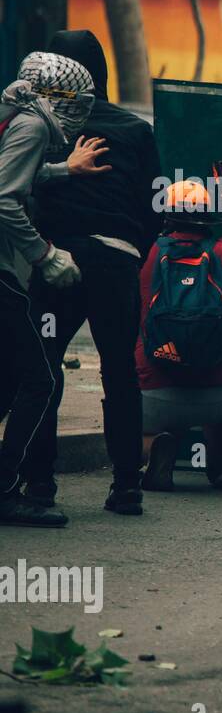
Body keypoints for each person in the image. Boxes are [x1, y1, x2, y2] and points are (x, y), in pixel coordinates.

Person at [17, 29, 164, 517]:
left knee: (44, 372)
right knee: (120, 372)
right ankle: (126, 486)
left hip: (55, 261)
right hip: (115, 261)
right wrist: (127, 252)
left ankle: (38, 483)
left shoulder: (35, 124)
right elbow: (153, 210)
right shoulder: (136, 130)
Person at [0, 52, 94, 527]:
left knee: (11, 379)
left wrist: (61, 172)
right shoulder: (34, 127)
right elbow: (5, 198)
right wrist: (45, 255)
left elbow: (14, 176)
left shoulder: (12, 115)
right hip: (3, 274)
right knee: (40, 379)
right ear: (56, 99)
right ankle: (5, 491)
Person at [135, 179, 222, 491]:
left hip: (155, 395)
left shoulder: (146, 254)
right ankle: (218, 462)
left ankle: (151, 448)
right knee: (217, 353)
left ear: (167, 217)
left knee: (125, 397)